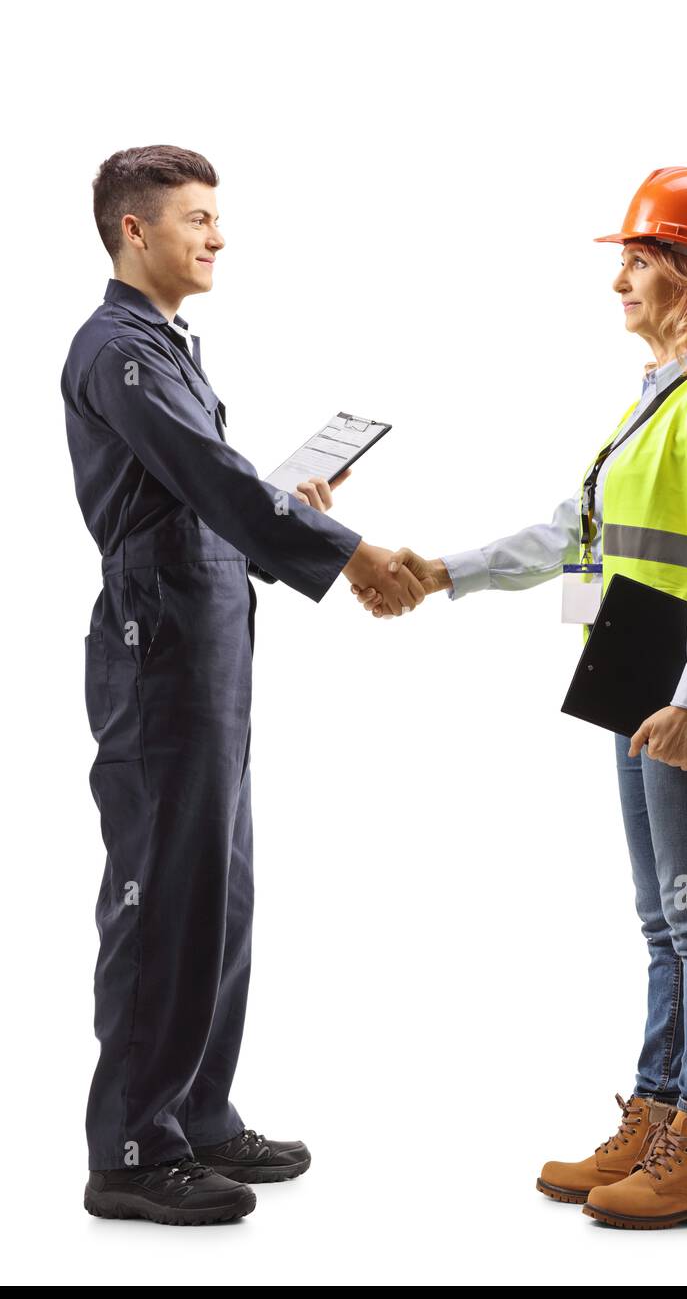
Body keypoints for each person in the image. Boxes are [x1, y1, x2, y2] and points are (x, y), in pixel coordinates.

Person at [352, 168, 687, 1230]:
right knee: (659, 921)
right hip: (635, 683)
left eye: (636, 261)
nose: (618, 282)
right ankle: (655, 1113)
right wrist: (441, 568)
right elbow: (567, 535)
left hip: (685, 691)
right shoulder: (653, 404)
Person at [62, 144, 427, 1226]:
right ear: (136, 231)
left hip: (209, 640)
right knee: (157, 888)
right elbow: (210, 486)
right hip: (158, 645)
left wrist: (292, 506)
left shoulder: (168, 347)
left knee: (218, 888)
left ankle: (196, 1114)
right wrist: (344, 547)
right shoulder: (118, 351)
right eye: (198, 219)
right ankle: (130, 1148)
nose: (217, 238)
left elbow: (202, 499)